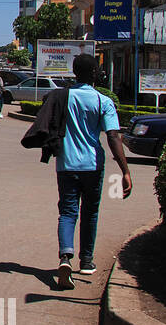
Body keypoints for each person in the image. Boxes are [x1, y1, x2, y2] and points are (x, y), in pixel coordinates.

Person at [53, 53, 132, 290]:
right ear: (95, 74)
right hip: (93, 166)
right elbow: (113, 137)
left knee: (67, 212)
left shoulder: (63, 98)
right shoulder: (103, 101)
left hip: (66, 165)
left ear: (74, 72)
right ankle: (86, 261)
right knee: (90, 213)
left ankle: (65, 257)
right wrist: (125, 170)